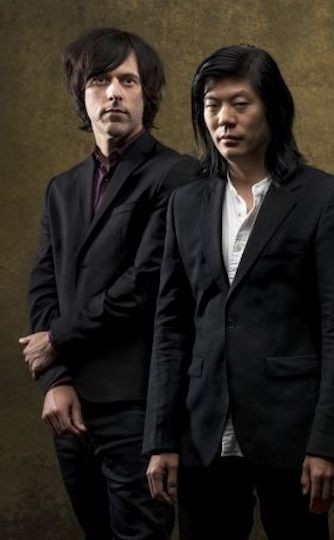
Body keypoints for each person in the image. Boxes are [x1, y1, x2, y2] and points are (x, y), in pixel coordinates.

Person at [142, 45, 334, 540]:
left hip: (292, 433)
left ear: (273, 109)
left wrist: (327, 442)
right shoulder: (184, 204)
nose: (224, 119)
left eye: (240, 104)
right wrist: (160, 438)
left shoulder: (325, 198)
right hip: (202, 432)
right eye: (212, 105)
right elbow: (170, 327)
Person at [21, 27, 194, 540]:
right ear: (81, 94)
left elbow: (146, 283)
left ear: (148, 94)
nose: (113, 93)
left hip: (136, 407)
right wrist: (56, 379)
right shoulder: (62, 189)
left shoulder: (177, 176)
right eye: (99, 81)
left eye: (127, 80)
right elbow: (44, 286)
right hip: (68, 407)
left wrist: (57, 340)